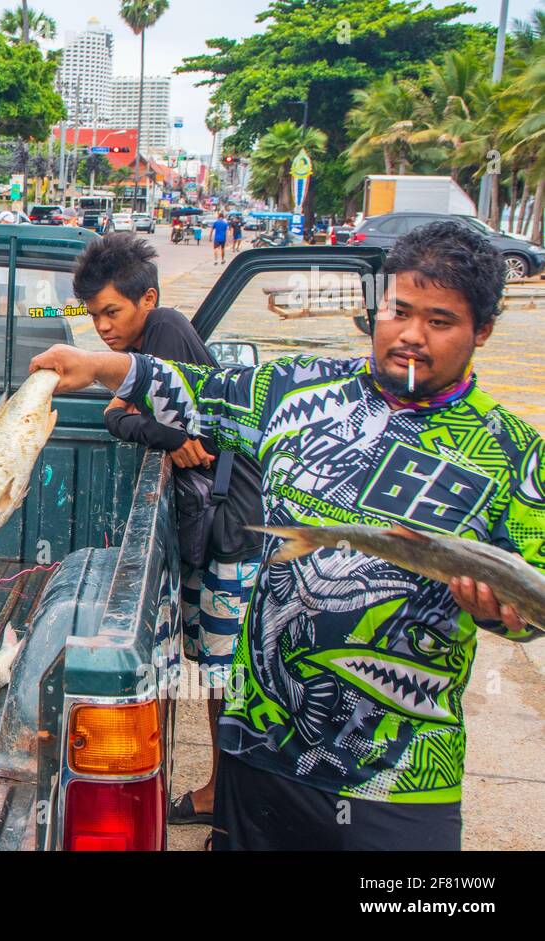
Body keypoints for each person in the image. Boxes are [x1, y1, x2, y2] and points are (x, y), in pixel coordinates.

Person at [30, 220, 544, 851]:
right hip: (262, 746)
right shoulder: (297, 388)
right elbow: (199, 392)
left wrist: (504, 618)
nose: (411, 335)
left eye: (440, 321)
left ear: (482, 332)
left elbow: (531, 601)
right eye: (399, 311)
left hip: (399, 779)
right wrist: (97, 364)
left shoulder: (513, 454)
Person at [73, 233, 264, 826]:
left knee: (225, 675)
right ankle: (222, 789)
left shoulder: (167, 333)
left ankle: (231, 800)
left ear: (147, 299)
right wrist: (147, 427)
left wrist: (148, 426)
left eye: (113, 312)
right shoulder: (144, 344)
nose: (103, 328)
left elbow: (186, 431)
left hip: (230, 529)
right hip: (209, 526)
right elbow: (122, 417)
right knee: (211, 671)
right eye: (94, 316)